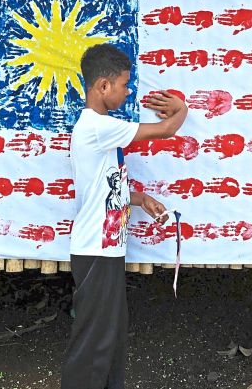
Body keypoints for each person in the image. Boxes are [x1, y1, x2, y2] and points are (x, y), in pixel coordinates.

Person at [62, 43, 188, 389]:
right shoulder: (97, 126)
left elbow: (101, 188)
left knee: (112, 340)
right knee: (93, 345)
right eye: (123, 84)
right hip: (95, 252)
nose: (127, 90)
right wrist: (182, 109)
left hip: (106, 251)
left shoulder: (98, 130)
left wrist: (138, 198)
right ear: (102, 87)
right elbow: (165, 130)